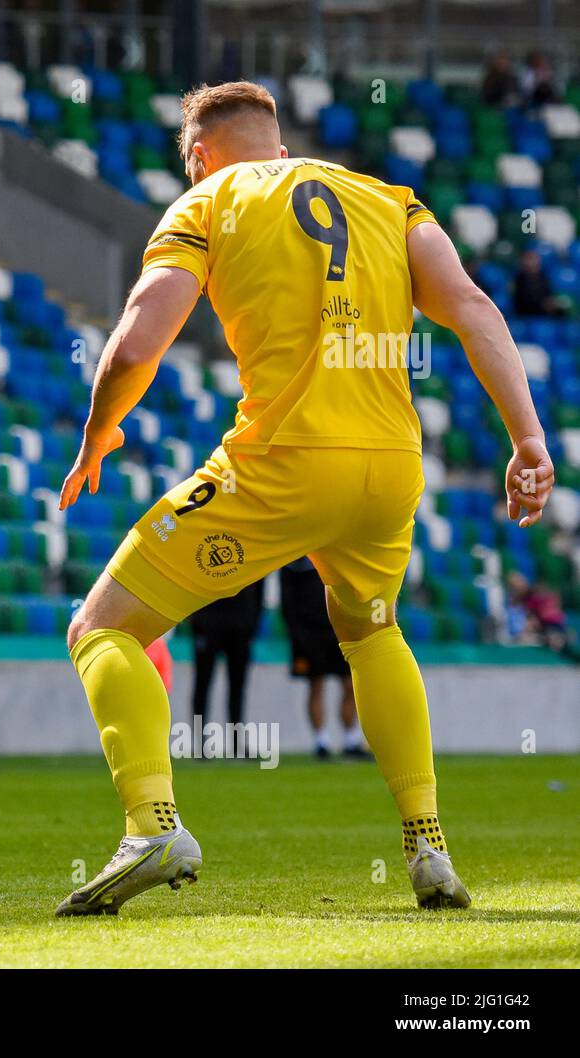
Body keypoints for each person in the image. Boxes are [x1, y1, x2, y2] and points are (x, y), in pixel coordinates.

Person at [57, 81, 552, 916]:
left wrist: (100, 432)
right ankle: (427, 844)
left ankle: (154, 824)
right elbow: (471, 308)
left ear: (199, 158)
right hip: (391, 466)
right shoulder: (391, 199)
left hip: (283, 462)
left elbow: (140, 338)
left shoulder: (206, 202)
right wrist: (529, 440)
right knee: (370, 630)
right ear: (280, 148)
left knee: (102, 627)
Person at [279, 556, 366, 759]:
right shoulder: (295, 563)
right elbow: (287, 603)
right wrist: (296, 633)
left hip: (337, 629)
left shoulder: (335, 558)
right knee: (316, 684)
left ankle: (350, 739)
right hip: (308, 632)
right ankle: (321, 741)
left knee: (349, 684)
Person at [188, 579, 263, 730]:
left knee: (237, 686)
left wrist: (252, 622)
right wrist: (196, 619)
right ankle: (199, 742)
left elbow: (260, 581)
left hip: (240, 623)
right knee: (203, 683)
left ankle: (237, 743)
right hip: (207, 621)